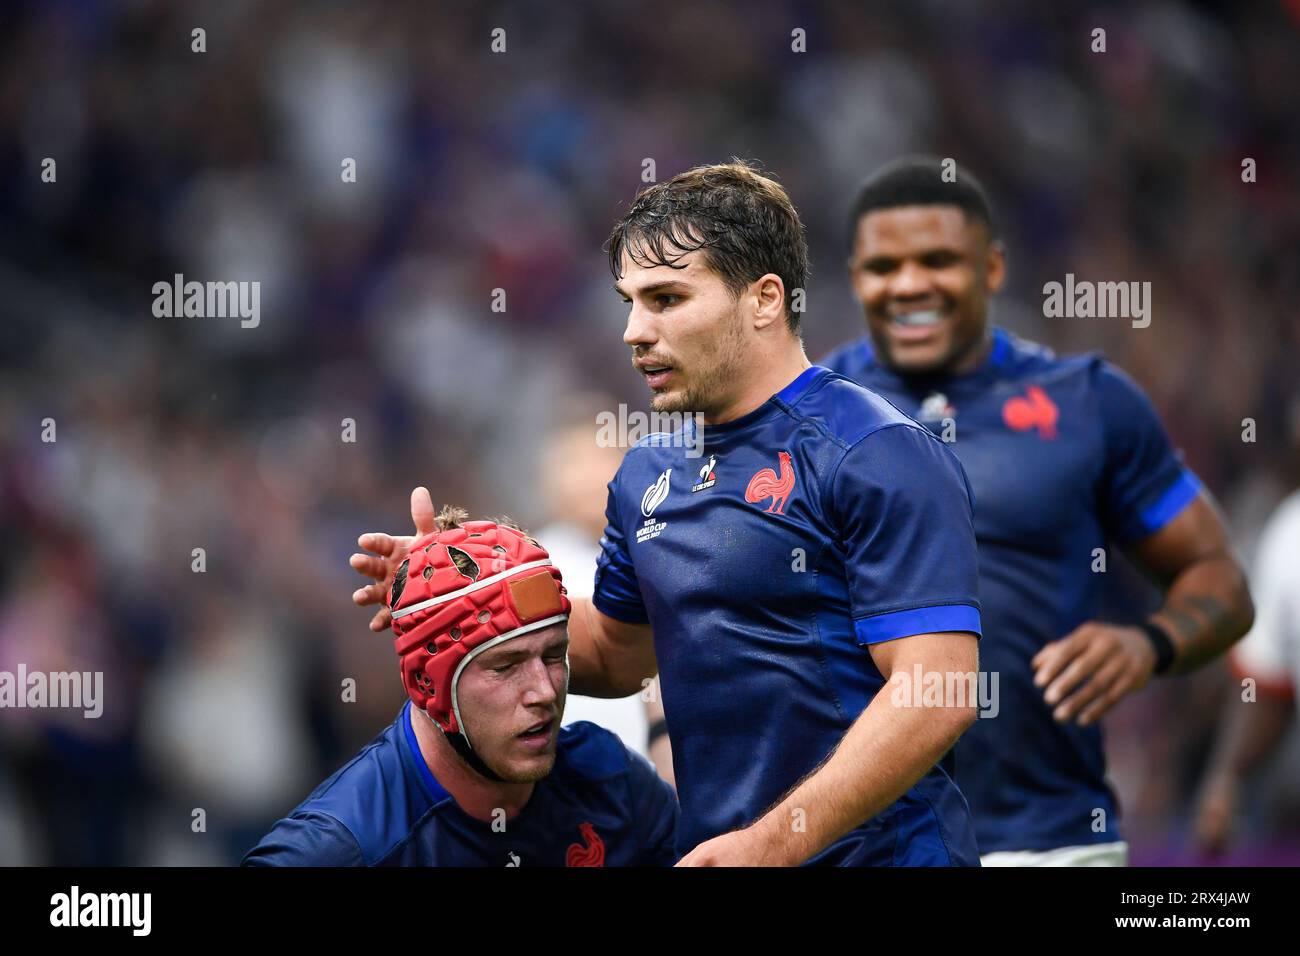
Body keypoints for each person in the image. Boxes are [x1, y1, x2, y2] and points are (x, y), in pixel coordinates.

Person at [353, 162, 985, 866]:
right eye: (630, 301)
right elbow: (617, 655)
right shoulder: (648, 477)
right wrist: (453, 594)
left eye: (666, 299)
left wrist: (772, 846)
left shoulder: (875, 453)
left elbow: (939, 693)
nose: (633, 330)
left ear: (765, 300)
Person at [821, 156, 1254, 865]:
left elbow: (1220, 577)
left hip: (1051, 842)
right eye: (882, 267)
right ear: (855, 275)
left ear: (991, 268)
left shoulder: (1089, 402)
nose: (908, 285)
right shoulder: (812, 413)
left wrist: (1150, 644)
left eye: (937, 260)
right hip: (863, 843)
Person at [244, 508, 678, 866]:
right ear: (425, 687)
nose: (543, 691)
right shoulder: (340, 847)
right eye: (504, 667)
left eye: (552, 656)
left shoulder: (611, 782)